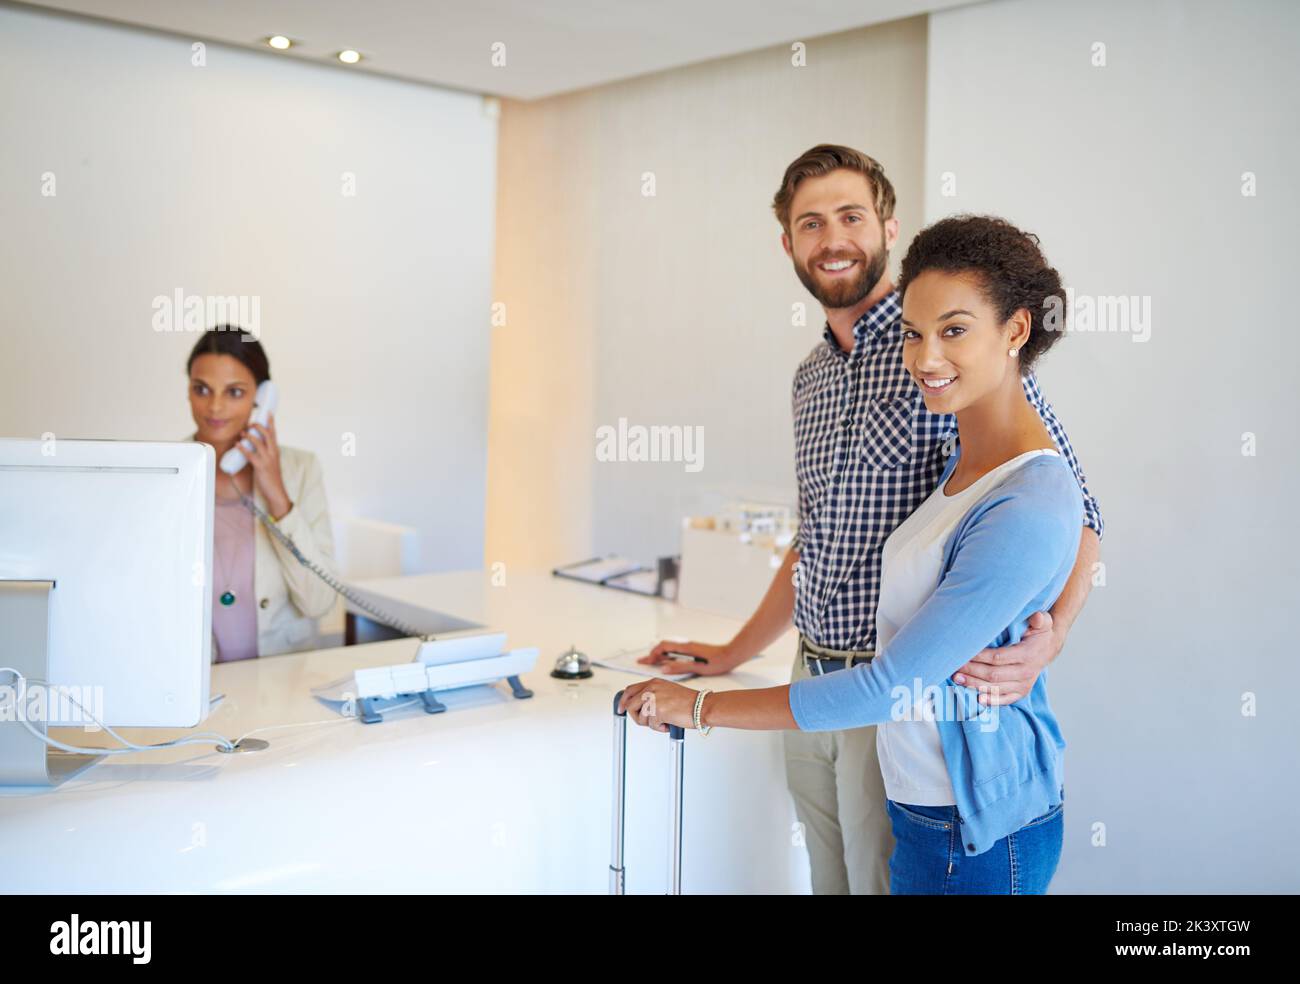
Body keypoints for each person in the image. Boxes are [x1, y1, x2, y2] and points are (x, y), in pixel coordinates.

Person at [639, 146, 1103, 894]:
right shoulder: (811, 379)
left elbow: (1071, 501)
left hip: (893, 695)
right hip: (809, 673)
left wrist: (1054, 635)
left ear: (887, 227)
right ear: (787, 245)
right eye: (811, 223)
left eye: (851, 216)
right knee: (826, 878)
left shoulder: (955, 352)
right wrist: (731, 652)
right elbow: (813, 542)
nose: (833, 239)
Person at [185, 326, 337, 661]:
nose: (215, 407)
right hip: (194, 677)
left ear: (262, 399)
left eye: (235, 392)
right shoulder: (167, 471)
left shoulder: (301, 469)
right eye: (202, 389)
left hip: (281, 681)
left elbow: (319, 602)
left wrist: (276, 491)